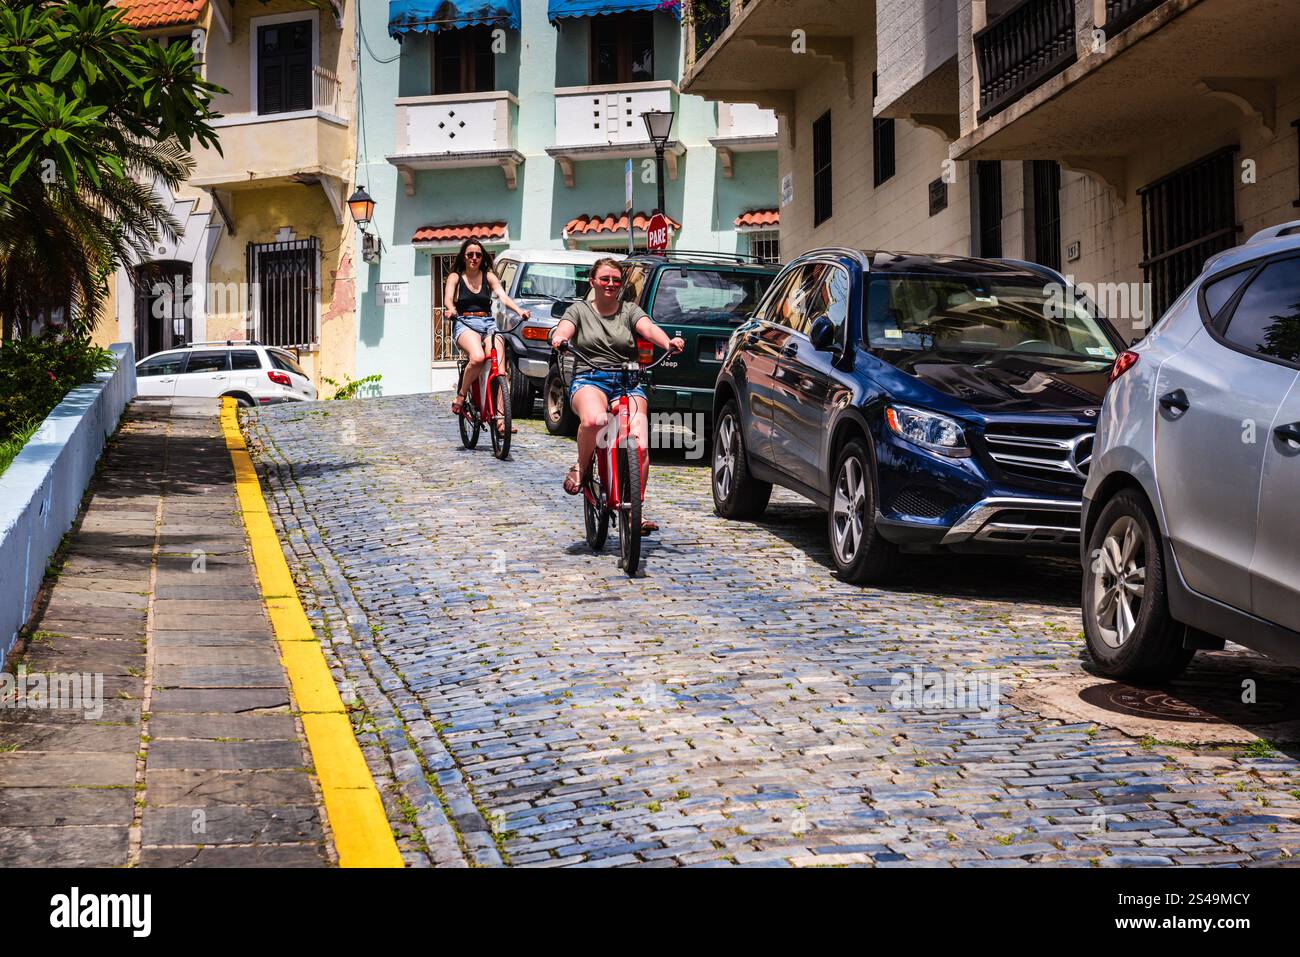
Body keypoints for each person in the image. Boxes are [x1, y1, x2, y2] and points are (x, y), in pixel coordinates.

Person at [549, 258, 684, 534]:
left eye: (616, 280)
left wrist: (667, 342)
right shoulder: (579, 310)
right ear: (593, 282)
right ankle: (582, 466)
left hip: (628, 379)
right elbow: (564, 329)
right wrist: (560, 339)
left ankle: (636, 510)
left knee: (641, 443)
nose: (611, 284)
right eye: (605, 279)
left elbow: (648, 327)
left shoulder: (629, 310)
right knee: (594, 421)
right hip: (590, 378)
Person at [445, 238, 530, 434]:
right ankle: (461, 395)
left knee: (500, 370)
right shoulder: (456, 277)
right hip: (465, 323)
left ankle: (500, 420)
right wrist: (451, 310)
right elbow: (449, 300)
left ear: (482, 257)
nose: (474, 258)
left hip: (488, 323)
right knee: (477, 357)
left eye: (478, 255)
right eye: (470, 255)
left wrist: (519, 311)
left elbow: (503, 296)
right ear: (464, 257)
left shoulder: (489, 276)